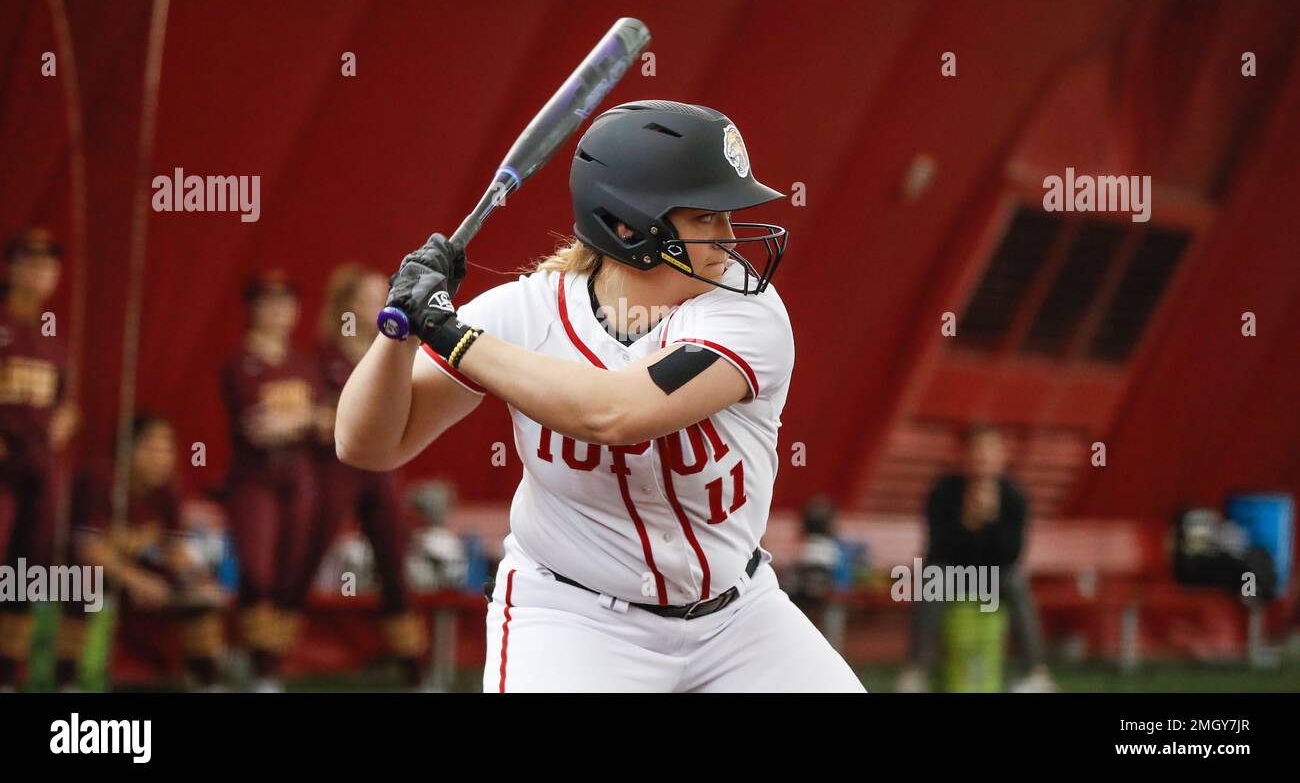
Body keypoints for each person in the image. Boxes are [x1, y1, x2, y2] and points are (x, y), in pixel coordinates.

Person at [336, 100, 863, 692]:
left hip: (736, 618)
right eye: (707, 218)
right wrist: (399, 332)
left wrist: (449, 331)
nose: (730, 238)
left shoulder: (748, 311)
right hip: (572, 619)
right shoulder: (528, 310)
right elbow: (367, 444)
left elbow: (616, 413)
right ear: (629, 228)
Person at [304, 264, 426, 688]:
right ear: (350, 304)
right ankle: (266, 664)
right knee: (306, 555)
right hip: (335, 472)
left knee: (395, 556)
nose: (381, 300)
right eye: (373, 294)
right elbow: (316, 419)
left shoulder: (389, 349)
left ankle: (414, 671)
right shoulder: (323, 358)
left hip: (379, 470)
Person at [61, 414, 227, 691]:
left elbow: (174, 549)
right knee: (81, 583)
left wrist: (199, 579)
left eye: (168, 449)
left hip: (141, 571)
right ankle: (67, 680)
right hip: (90, 570)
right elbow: (88, 550)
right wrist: (136, 580)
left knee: (199, 595)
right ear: (126, 450)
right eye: (151, 448)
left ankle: (208, 681)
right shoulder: (100, 479)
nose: (161, 457)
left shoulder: (168, 487)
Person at [896, 425, 1055, 692]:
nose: (982, 457)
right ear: (964, 455)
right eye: (977, 449)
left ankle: (1034, 672)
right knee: (934, 576)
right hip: (954, 575)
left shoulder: (1014, 496)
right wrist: (969, 522)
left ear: (1002, 456)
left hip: (994, 578)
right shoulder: (944, 492)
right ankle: (917, 671)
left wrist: (990, 522)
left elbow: (1011, 555)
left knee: (1016, 582)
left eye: (990, 450)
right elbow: (938, 548)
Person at [221, 271, 321, 692]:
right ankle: (249, 659)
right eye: (270, 301)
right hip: (255, 479)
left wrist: (299, 421)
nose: (280, 311)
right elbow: (258, 430)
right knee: (257, 569)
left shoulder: (302, 363)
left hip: (299, 477)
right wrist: (306, 420)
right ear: (253, 308)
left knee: (290, 570)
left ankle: (268, 665)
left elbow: (330, 421)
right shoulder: (240, 362)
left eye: (287, 301)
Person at [0, 227, 78, 691]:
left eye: (48, 264)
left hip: (40, 467)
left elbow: (66, 401)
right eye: (29, 261)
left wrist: (66, 419)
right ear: (10, 267)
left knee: (28, 569)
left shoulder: (51, 333)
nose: (39, 272)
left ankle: (7, 673)